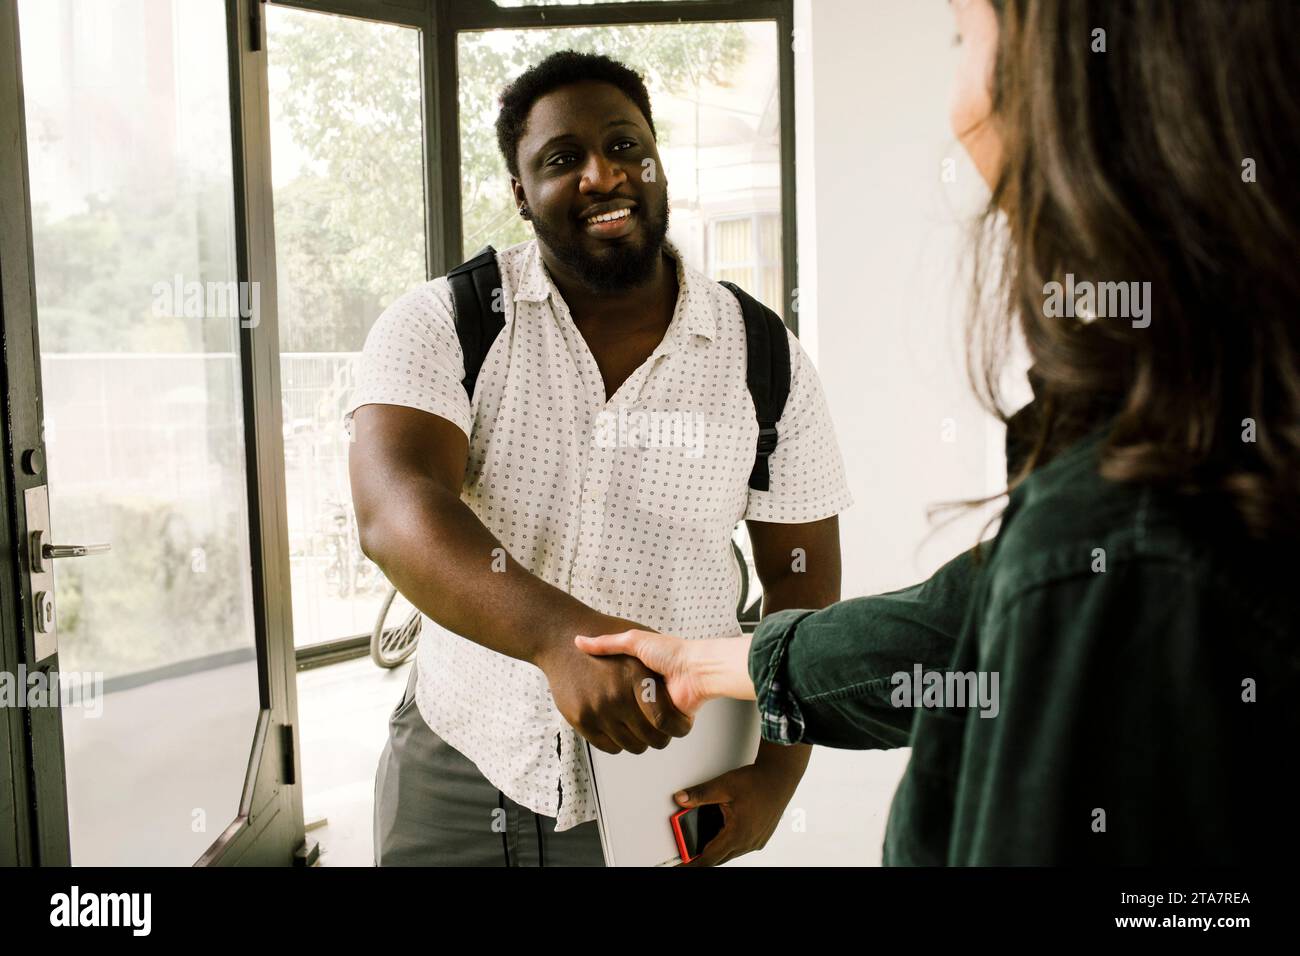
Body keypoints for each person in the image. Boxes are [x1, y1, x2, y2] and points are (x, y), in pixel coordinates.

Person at [578, 0, 1300, 865]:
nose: (958, 112)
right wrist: (709, 665)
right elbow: (961, 629)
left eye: (967, 39)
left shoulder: (1117, 545)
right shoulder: (1214, 429)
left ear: (1088, 92)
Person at [347, 51, 853, 866]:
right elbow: (395, 508)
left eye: (624, 147)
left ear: (657, 163)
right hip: (458, 763)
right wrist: (560, 639)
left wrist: (776, 778)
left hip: (666, 775)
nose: (601, 175)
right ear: (521, 193)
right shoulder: (446, 322)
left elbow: (802, 584)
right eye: (561, 159)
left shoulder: (765, 356)